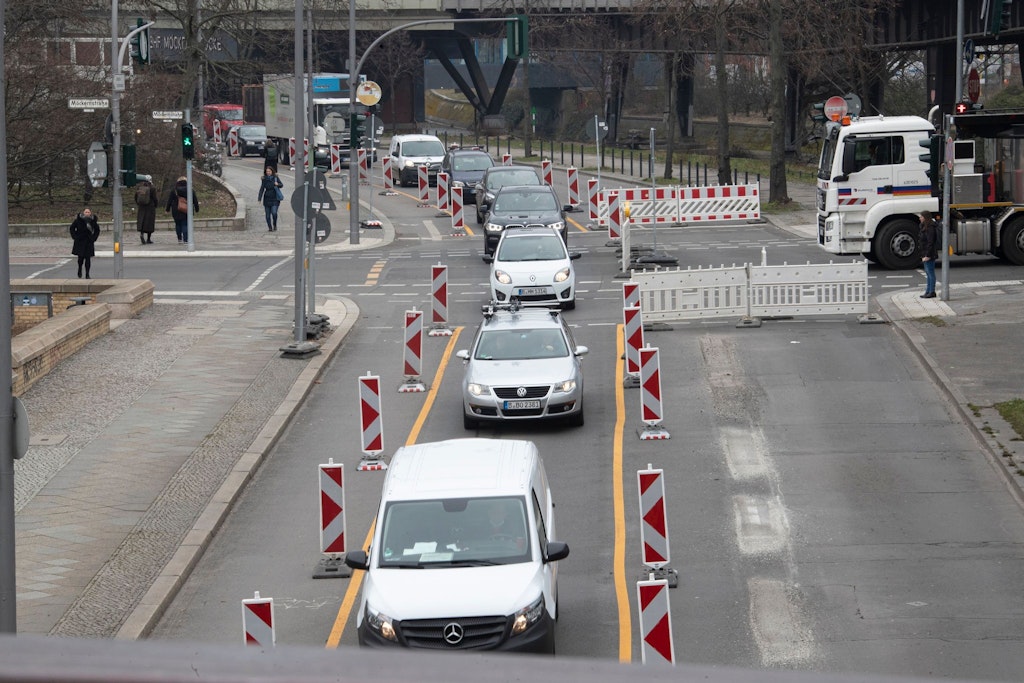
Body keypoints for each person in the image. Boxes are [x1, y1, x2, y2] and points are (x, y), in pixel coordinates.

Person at [165, 176, 199, 244]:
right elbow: (195, 200)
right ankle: (186, 240)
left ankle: (179, 239)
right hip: (187, 209)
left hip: (176, 209)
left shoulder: (174, 190)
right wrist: (196, 208)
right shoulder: (190, 189)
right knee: (185, 224)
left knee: (178, 224)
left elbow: (170, 200)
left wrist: (167, 209)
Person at [69, 207, 101, 279]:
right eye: (86, 212)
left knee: (88, 259)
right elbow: (72, 228)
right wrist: (75, 237)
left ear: (90, 213)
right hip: (80, 241)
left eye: (88, 212)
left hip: (89, 242)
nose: (87, 213)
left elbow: (97, 230)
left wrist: (94, 238)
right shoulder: (78, 220)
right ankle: (79, 269)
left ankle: (87, 274)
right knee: (80, 258)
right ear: (83, 213)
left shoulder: (93, 221)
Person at [257, 166, 284, 232]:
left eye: (269, 171)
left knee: (274, 212)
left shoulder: (275, 178)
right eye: (267, 171)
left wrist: (277, 184)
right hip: (267, 198)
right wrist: (259, 198)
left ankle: (274, 224)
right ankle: (270, 227)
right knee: (267, 215)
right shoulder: (264, 179)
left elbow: (281, 185)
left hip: (275, 198)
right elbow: (262, 189)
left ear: (272, 171)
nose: (268, 172)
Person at [919, 210, 938, 298]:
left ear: (925, 218)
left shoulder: (930, 228)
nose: (920, 218)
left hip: (929, 253)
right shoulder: (924, 226)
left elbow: (931, 242)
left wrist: (927, 255)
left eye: (921, 217)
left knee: (930, 272)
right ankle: (928, 291)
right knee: (928, 272)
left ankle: (931, 291)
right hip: (925, 253)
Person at [134, 179, 158, 244]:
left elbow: (136, 197)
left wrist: (139, 204)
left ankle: (142, 234)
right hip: (150, 207)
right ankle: (148, 239)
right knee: (149, 223)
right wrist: (155, 205)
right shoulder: (152, 188)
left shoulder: (140, 188)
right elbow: (155, 198)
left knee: (142, 221)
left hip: (141, 207)